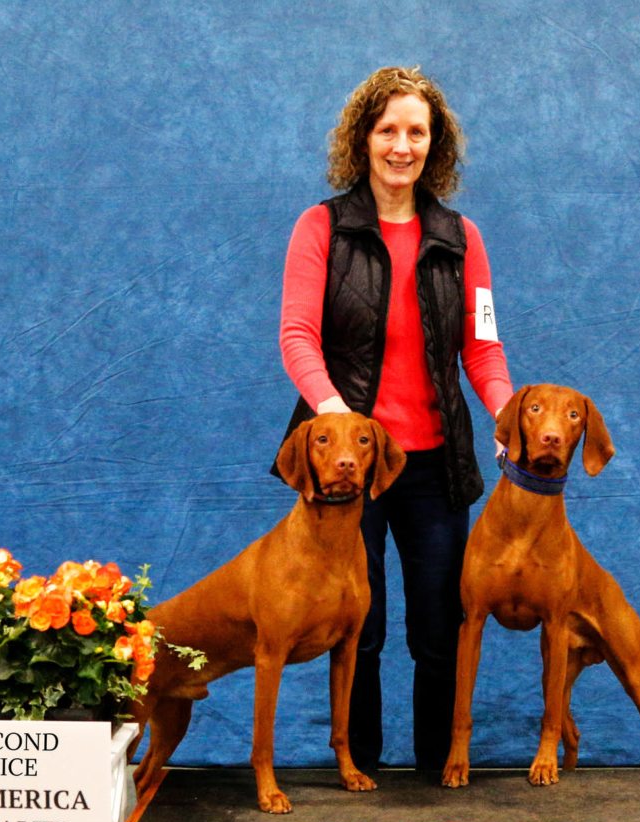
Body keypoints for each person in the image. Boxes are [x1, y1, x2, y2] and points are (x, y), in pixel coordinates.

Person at [276, 66, 513, 772]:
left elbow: (484, 346)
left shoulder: (461, 237)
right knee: (361, 631)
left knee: (439, 630)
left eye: (416, 131)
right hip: (346, 472)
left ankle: (442, 774)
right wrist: (338, 421)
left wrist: (507, 414)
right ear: (362, 139)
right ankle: (362, 771)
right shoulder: (320, 227)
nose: (401, 146)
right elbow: (296, 336)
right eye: (387, 130)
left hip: (434, 466)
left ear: (433, 143)